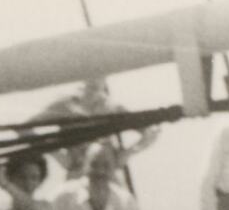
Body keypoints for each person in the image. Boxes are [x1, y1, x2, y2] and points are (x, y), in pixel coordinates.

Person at [33, 77, 162, 180]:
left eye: (100, 70)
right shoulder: (65, 105)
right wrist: (59, 156)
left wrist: (127, 153)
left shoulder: (112, 107)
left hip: (108, 176)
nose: (94, 76)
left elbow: (151, 130)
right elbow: (24, 128)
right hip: (78, 176)